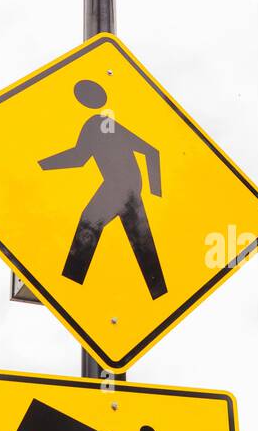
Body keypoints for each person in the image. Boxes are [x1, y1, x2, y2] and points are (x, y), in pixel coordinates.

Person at [39, 79, 167, 299]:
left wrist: (157, 192)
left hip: (120, 185)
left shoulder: (101, 123)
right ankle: (160, 292)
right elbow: (80, 158)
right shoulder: (99, 123)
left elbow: (151, 151)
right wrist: (43, 164)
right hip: (129, 187)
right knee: (140, 237)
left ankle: (71, 286)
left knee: (89, 222)